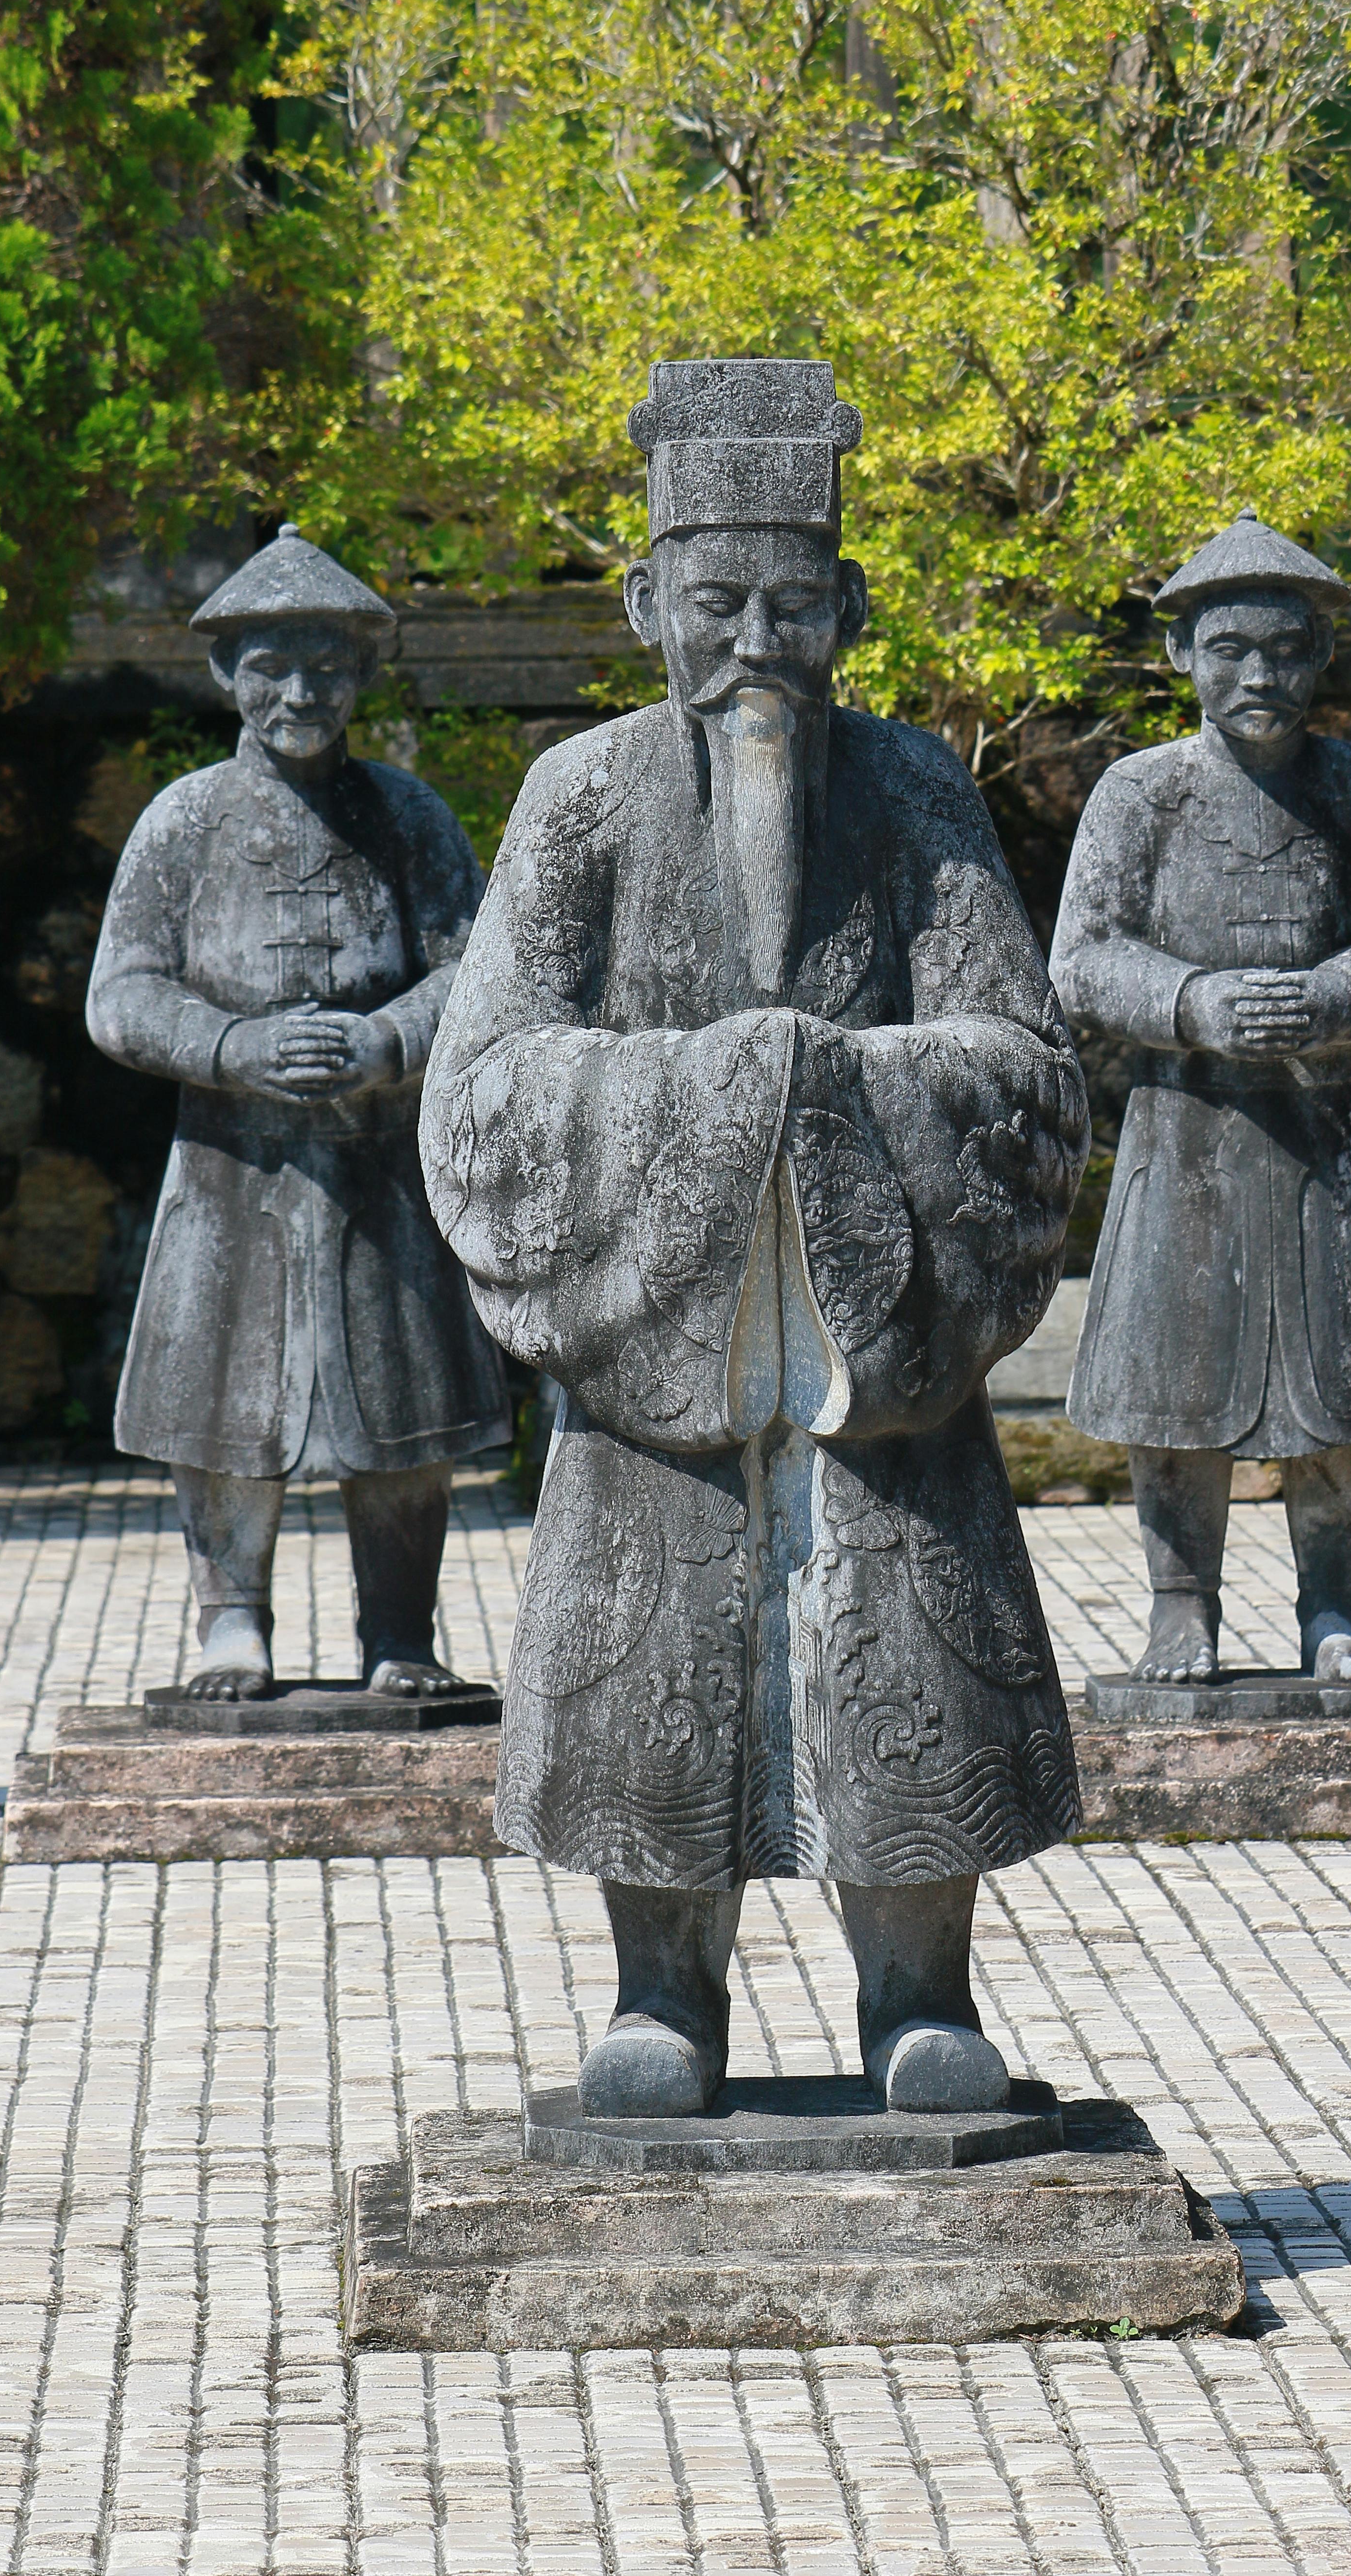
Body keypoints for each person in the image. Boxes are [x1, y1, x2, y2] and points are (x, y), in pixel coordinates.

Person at [420, 359, 1089, 2117]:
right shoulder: (578, 796)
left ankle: (916, 1994)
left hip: (877, 1346)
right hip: (664, 1343)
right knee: (656, 1659)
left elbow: (1019, 1062)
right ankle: (662, 1997)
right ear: (646, 603)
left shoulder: (917, 794)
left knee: (905, 1650)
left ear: (850, 609)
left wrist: (834, 1095)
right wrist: (717, 1097)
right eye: (714, 606)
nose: (754, 644)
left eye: (796, 606)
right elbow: (481, 1081)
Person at [86, 526, 511, 1700]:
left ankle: (401, 1634)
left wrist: (385, 1041)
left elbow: (480, 969)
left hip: (380, 1164)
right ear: (227, 676)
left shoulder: (409, 817)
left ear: (362, 676)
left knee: (398, 1406)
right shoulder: (182, 821)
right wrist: (231, 1046)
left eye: (326, 666)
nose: (300, 692)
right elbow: (118, 994)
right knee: (223, 1400)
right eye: (272, 666)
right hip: (231, 1165)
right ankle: (233, 1618)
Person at [1050, 509, 1351, 1686]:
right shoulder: (1142, 795)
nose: (1260, 674)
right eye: (1230, 647)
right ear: (1181, 655)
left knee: (1345, 1381)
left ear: (1321, 656)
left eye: (1286, 648)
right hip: (1187, 1126)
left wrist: (1333, 997)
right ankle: (1182, 1607)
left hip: (1333, 1130)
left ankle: (1335, 1610)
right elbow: (1081, 957)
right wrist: (1193, 1001)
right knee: (1177, 1381)